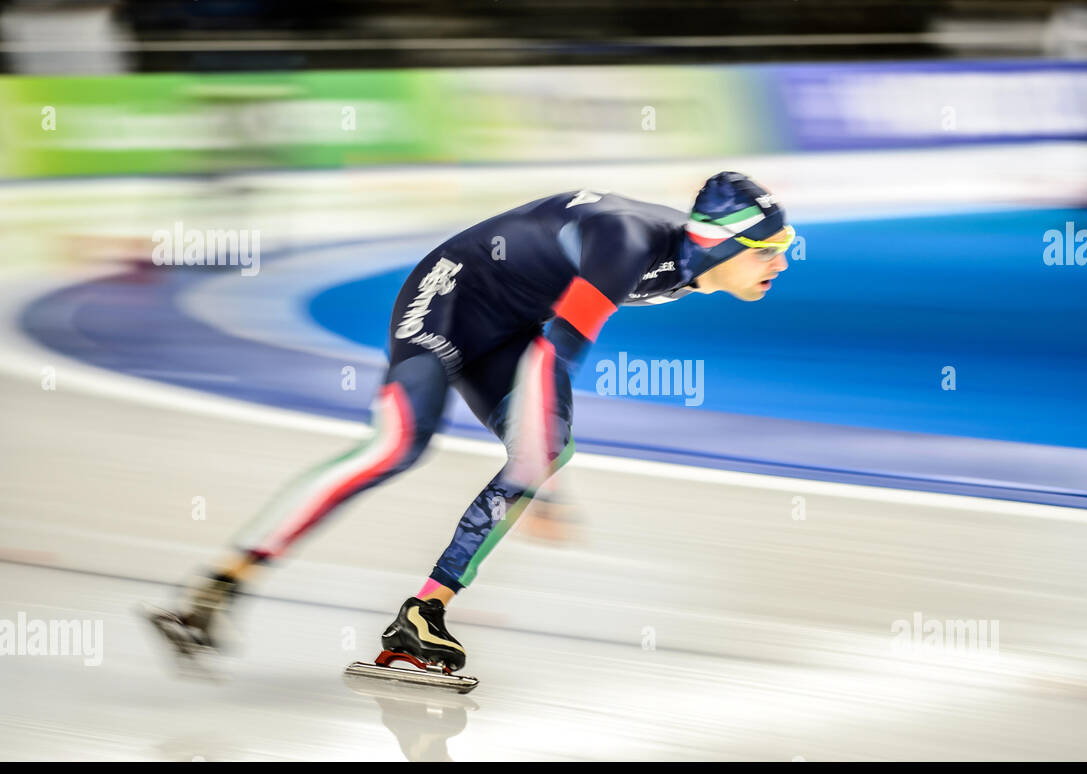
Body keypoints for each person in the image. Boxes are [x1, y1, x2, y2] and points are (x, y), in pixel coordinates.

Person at [147, 171, 794, 676]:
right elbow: (554, 352)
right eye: (770, 249)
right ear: (725, 243)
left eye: (786, 248)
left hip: (507, 324)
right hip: (448, 299)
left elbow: (540, 342)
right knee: (400, 444)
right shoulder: (626, 244)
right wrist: (539, 473)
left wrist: (537, 461)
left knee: (544, 451)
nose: (781, 262)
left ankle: (422, 615)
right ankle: (221, 583)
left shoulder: (687, 265)